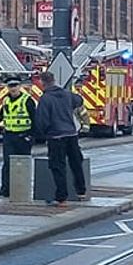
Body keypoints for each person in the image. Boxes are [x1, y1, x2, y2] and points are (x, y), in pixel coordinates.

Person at [33, 72, 88, 205]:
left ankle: (61, 197)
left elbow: (42, 120)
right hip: (71, 134)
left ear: (42, 82)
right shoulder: (66, 94)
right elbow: (79, 100)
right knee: (76, 163)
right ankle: (81, 191)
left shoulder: (45, 99)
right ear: (54, 80)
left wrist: (42, 134)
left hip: (56, 136)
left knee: (58, 166)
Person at [0, 75, 37, 197]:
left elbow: (35, 119)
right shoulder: (6, 100)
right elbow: (1, 116)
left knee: (23, 163)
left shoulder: (27, 100)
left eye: (15, 86)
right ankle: (5, 189)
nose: (13, 88)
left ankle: (23, 188)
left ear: (20, 86)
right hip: (9, 135)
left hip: (23, 136)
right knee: (7, 163)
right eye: (10, 86)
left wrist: (31, 136)